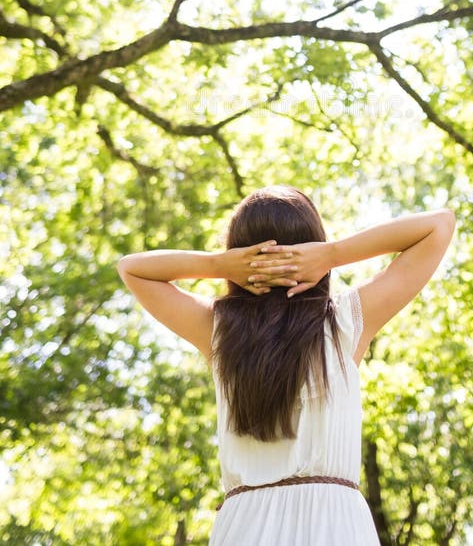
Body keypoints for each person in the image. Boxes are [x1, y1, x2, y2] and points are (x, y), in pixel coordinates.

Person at [117, 184, 455, 545]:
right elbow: (439, 225)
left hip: (244, 528)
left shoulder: (218, 331)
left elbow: (133, 269)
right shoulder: (343, 324)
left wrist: (218, 265)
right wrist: (333, 254)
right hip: (334, 527)